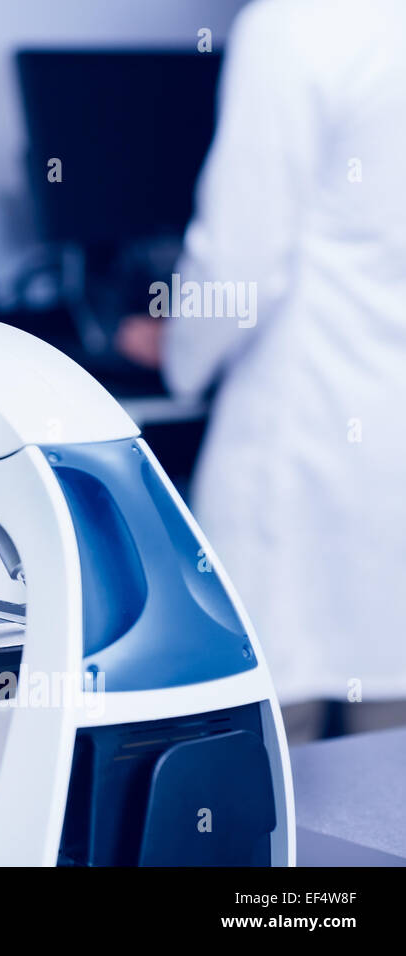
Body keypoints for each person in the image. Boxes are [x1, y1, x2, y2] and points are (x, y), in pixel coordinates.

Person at [115, 0, 406, 745]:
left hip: (309, 464)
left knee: (278, 795)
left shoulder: (298, 25)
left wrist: (177, 352)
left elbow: (240, 257)